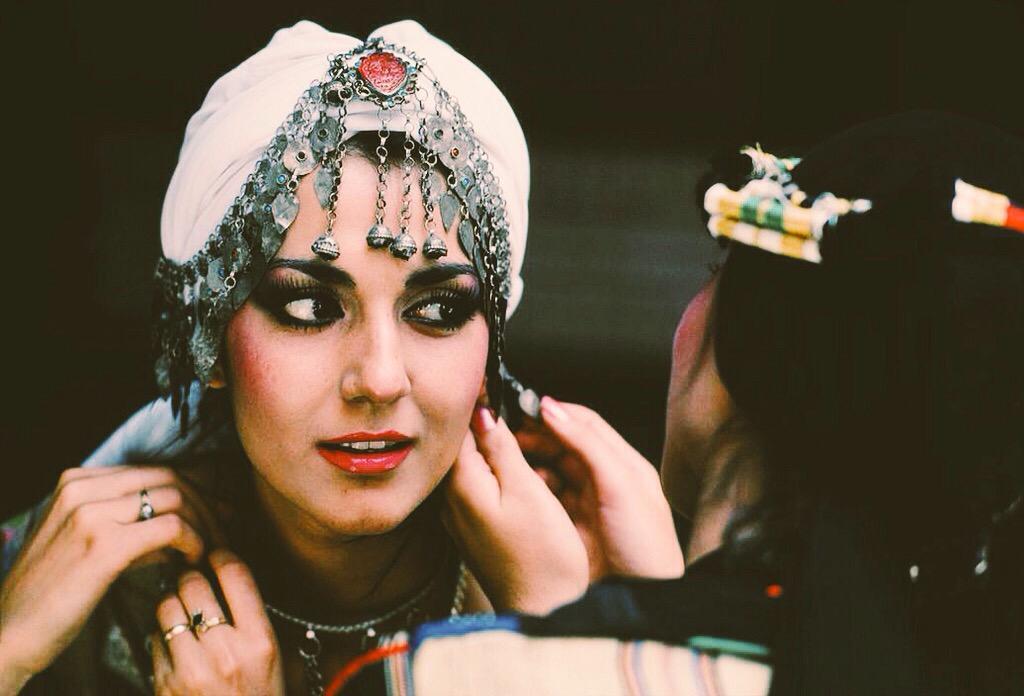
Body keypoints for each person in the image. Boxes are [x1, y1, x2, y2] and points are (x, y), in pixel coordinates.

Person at [0, 20, 590, 695]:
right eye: (310, 308)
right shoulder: (74, 592)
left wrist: (565, 628)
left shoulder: (582, 578)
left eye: (438, 311)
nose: (378, 378)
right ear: (210, 338)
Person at [380, 112, 1024, 696]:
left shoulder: (442, 679)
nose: (381, 380)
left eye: (715, 275)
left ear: (751, 335)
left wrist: (560, 638)